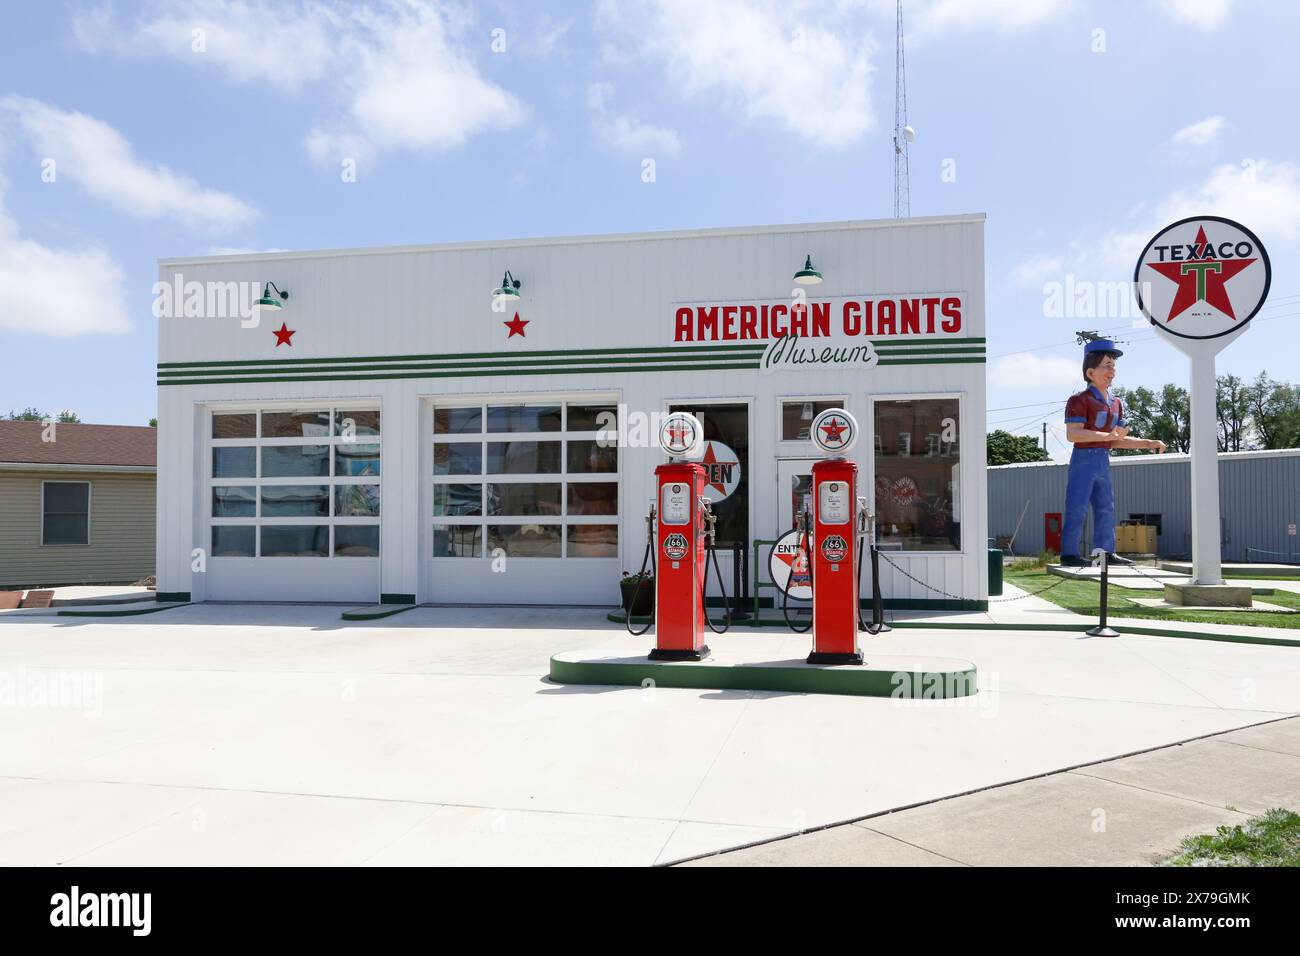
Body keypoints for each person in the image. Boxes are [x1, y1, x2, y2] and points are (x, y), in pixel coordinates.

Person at [1059, 339, 1166, 567]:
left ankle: (1104, 553)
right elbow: (1074, 434)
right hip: (1083, 459)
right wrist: (1107, 437)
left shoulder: (1116, 403)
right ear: (1090, 371)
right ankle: (1069, 553)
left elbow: (1116, 439)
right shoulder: (1079, 400)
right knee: (1077, 506)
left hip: (1103, 459)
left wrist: (1147, 443)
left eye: (1113, 366)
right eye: (1107, 365)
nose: (1112, 371)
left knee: (1106, 506)